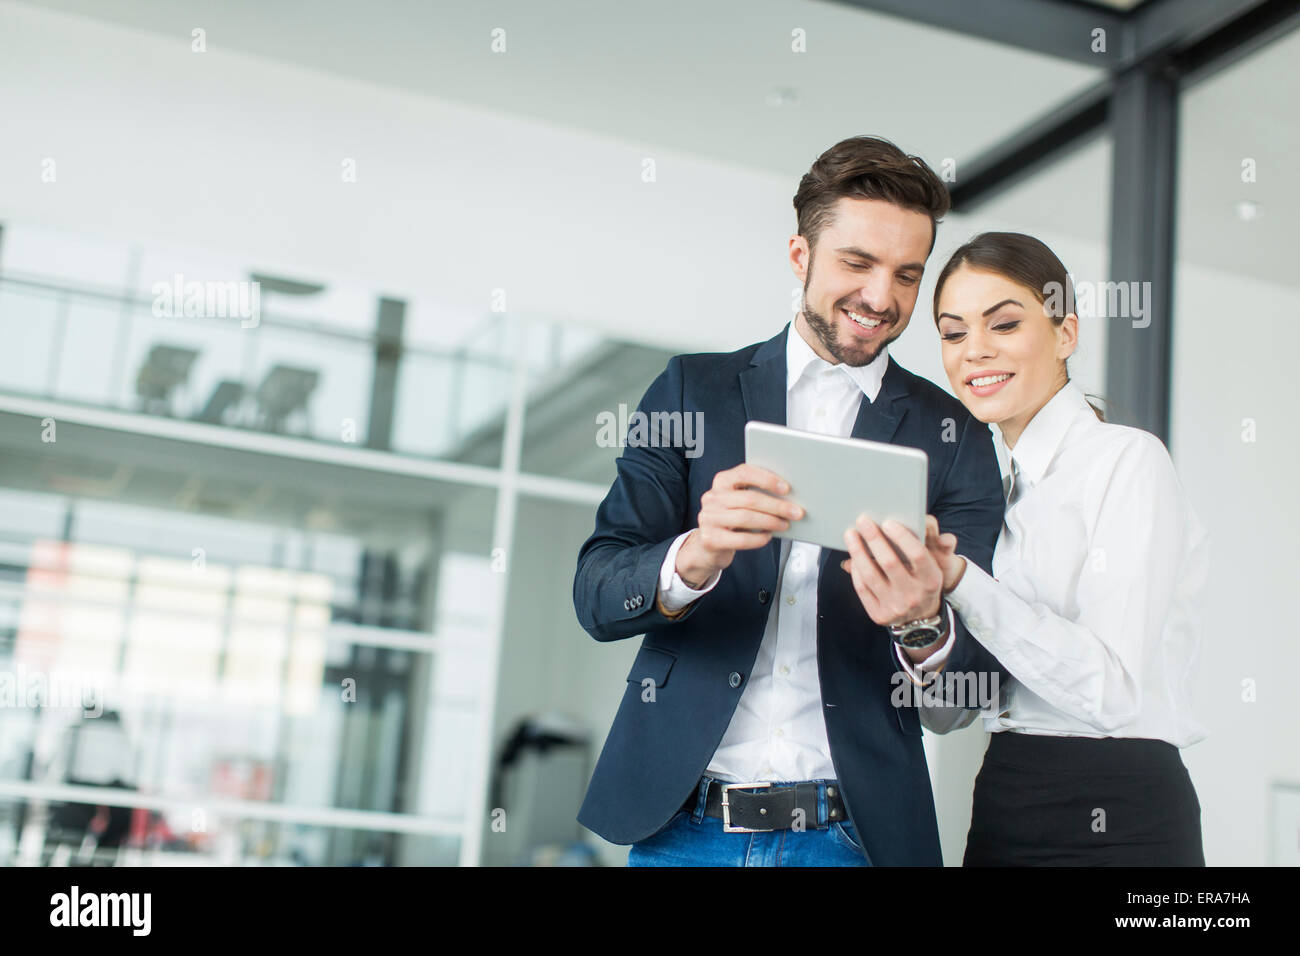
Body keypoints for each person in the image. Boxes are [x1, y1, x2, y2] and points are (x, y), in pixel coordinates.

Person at [572, 135, 1009, 866]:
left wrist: (922, 623)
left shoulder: (957, 436)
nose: (882, 299)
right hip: (682, 832)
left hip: (851, 840)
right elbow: (596, 595)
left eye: (906, 275)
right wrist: (695, 556)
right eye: (857, 263)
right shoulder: (690, 391)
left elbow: (966, 696)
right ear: (800, 256)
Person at [842, 231, 1209, 866]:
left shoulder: (1127, 461)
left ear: (1066, 334)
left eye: (1004, 324)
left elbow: (1110, 692)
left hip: (1120, 807)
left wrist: (960, 580)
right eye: (953, 333)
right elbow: (950, 715)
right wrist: (918, 622)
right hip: (1006, 792)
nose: (975, 350)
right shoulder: (985, 493)